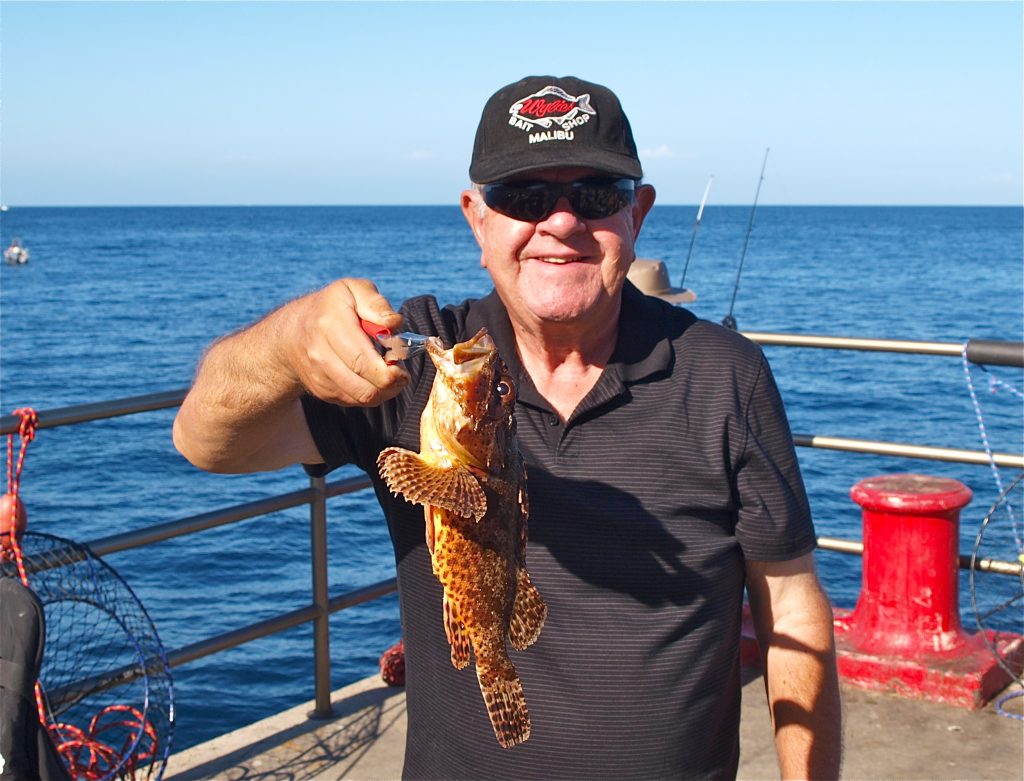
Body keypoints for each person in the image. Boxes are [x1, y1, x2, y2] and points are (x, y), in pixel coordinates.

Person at [173, 75, 842, 780]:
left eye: (595, 195)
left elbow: (792, 603)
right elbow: (204, 439)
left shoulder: (725, 375)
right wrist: (285, 343)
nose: (559, 222)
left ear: (637, 215)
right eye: (523, 197)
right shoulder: (409, 360)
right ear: (477, 218)